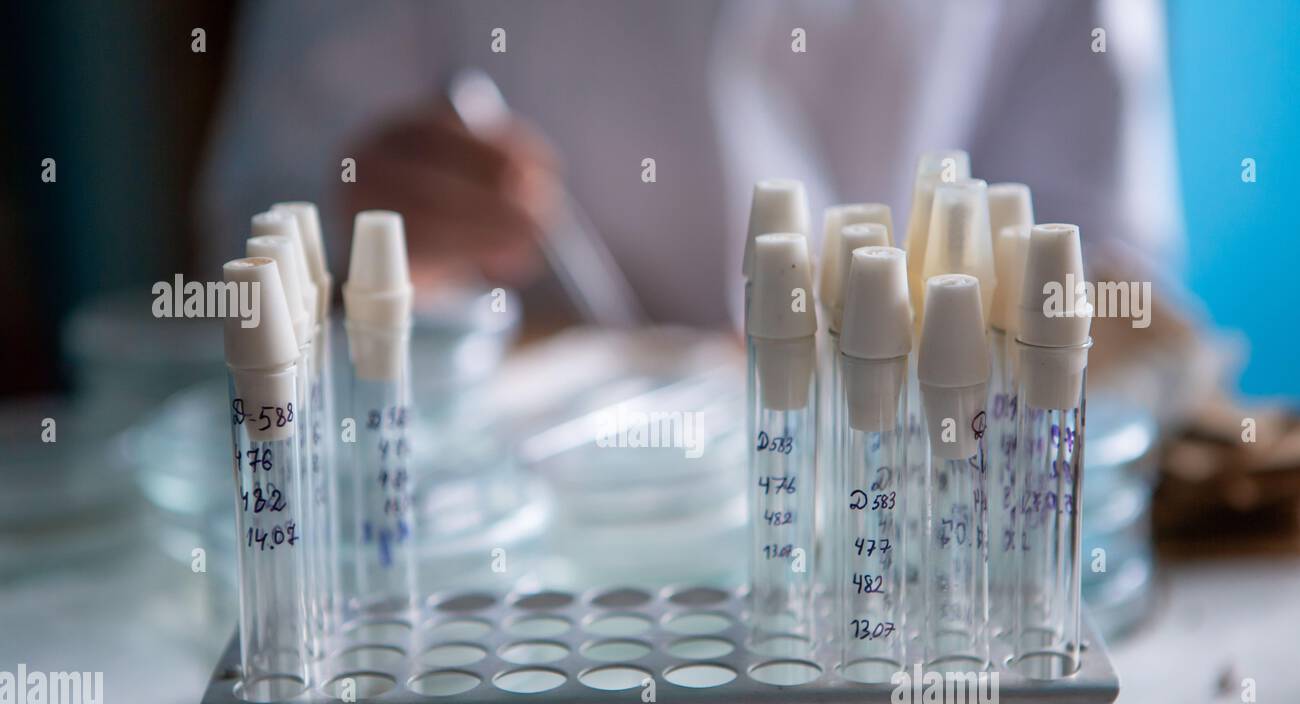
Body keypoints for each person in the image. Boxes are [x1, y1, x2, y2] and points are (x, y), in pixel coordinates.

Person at [199, 0, 1181, 329]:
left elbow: (1100, 257)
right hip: (527, 533)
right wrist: (360, 228)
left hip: (897, 497)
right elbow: (256, 229)